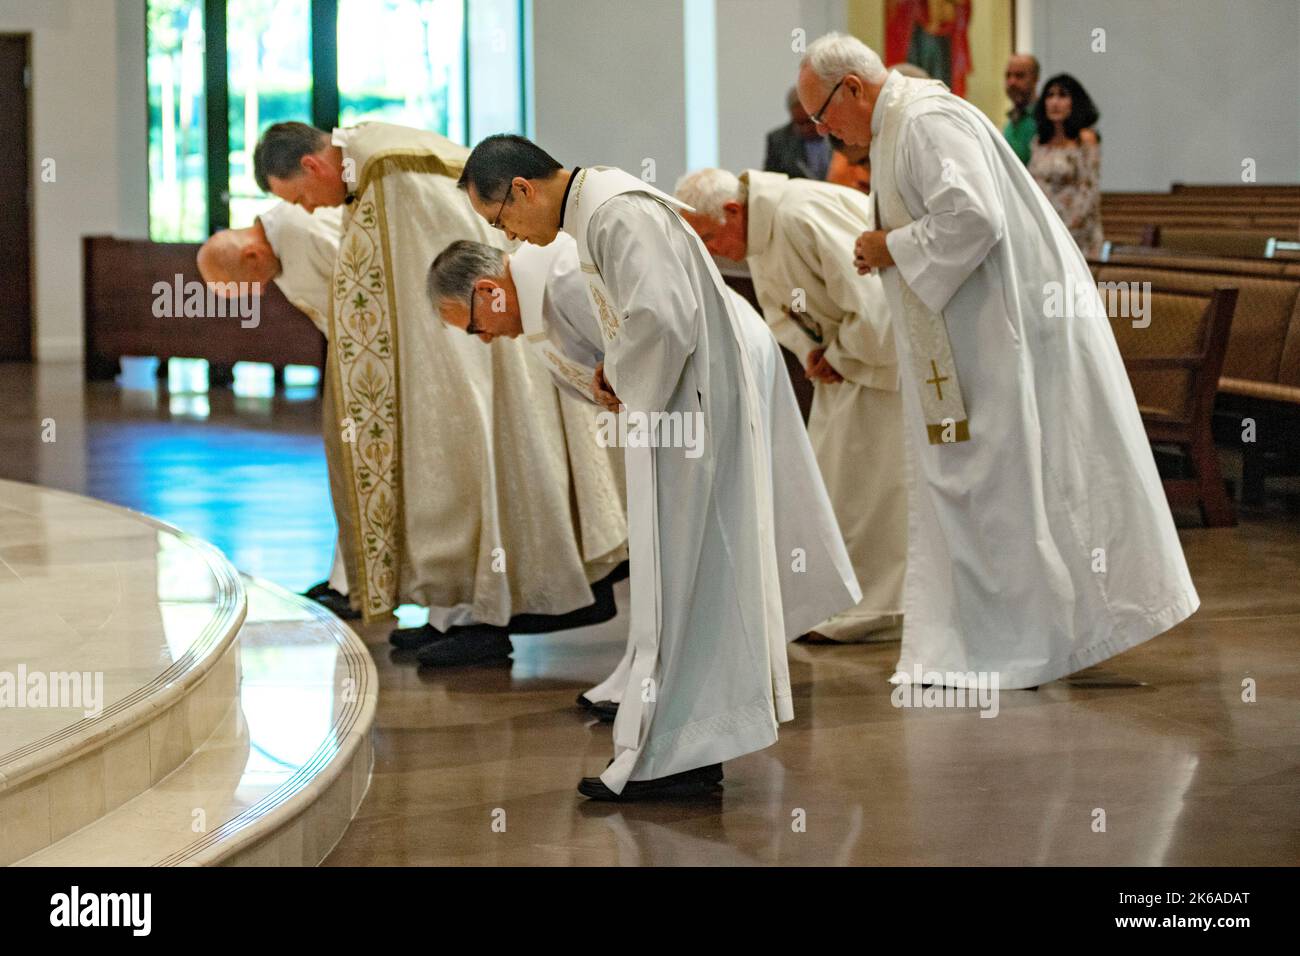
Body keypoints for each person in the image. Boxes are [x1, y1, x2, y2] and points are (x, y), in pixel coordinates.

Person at [454, 135, 861, 800]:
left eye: (501, 220)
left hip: (686, 411)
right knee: (686, 579)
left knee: (688, 578)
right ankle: (683, 748)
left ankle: (685, 753)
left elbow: (662, 321)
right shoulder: (601, 210)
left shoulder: (614, 213)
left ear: (523, 189)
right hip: (678, 405)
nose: (512, 238)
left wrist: (616, 371)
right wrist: (616, 371)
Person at [796, 33, 1198, 689]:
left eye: (821, 115)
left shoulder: (925, 121)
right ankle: (992, 639)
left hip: (1005, 338)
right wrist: (887, 247)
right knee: (985, 488)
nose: (824, 133)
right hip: (967, 345)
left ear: (854, 89)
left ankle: (1020, 644)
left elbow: (974, 217)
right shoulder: (901, 123)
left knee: (1011, 487)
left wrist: (890, 245)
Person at [427, 233, 860, 719]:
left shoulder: (564, 277)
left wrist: (615, 377)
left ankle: (696, 678)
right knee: (668, 536)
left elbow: (649, 334)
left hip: (709, 365)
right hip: (694, 373)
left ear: (488, 291)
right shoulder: (538, 287)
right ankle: (653, 671)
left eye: (473, 327)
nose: (484, 338)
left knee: (698, 530)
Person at [251, 122, 627, 665]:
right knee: (444, 481)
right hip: (446, 350)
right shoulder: (373, 172)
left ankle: (486, 615)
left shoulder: (394, 172)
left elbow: (454, 266)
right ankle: (451, 609)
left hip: (475, 351)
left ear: (313, 166)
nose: (309, 210)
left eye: (302, 197)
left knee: (474, 467)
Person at [675, 167, 906, 643]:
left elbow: (876, 302)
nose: (712, 252)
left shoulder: (801, 214)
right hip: (845, 370)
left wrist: (835, 353)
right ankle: (831, 602)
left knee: (868, 497)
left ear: (735, 211)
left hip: (880, 371)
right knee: (830, 485)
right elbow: (782, 313)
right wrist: (812, 353)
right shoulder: (763, 231)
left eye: (711, 238)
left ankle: (873, 611)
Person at [198, 203, 357, 619]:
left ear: (251, 256)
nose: (260, 293)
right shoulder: (281, 245)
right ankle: (349, 578)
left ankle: (357, 582)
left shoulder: (300, 232)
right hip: (353, 364)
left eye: (248, 287)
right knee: (347, 472)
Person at [1028, 73, 1104, 258]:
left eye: (1062, 95)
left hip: (1076, 230)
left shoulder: (1085, 139)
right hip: (1043, 228)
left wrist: (1065, 231)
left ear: (1074, 102)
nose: (1055, 102)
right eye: (1050, 95)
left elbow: (1089, 189)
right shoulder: (1039, 141)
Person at [763, 87, 832, 181]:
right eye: (799, 123)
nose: (806, 129)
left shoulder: (840, 131)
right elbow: (770, 180)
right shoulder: (778, 140)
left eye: (810, 122)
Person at [1002, 53, 1040, 164]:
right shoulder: (1010, 121)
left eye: (1019, 76)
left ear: (1035, 79)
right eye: (1008, 76)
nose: (1012, 82)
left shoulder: (1046, 118)